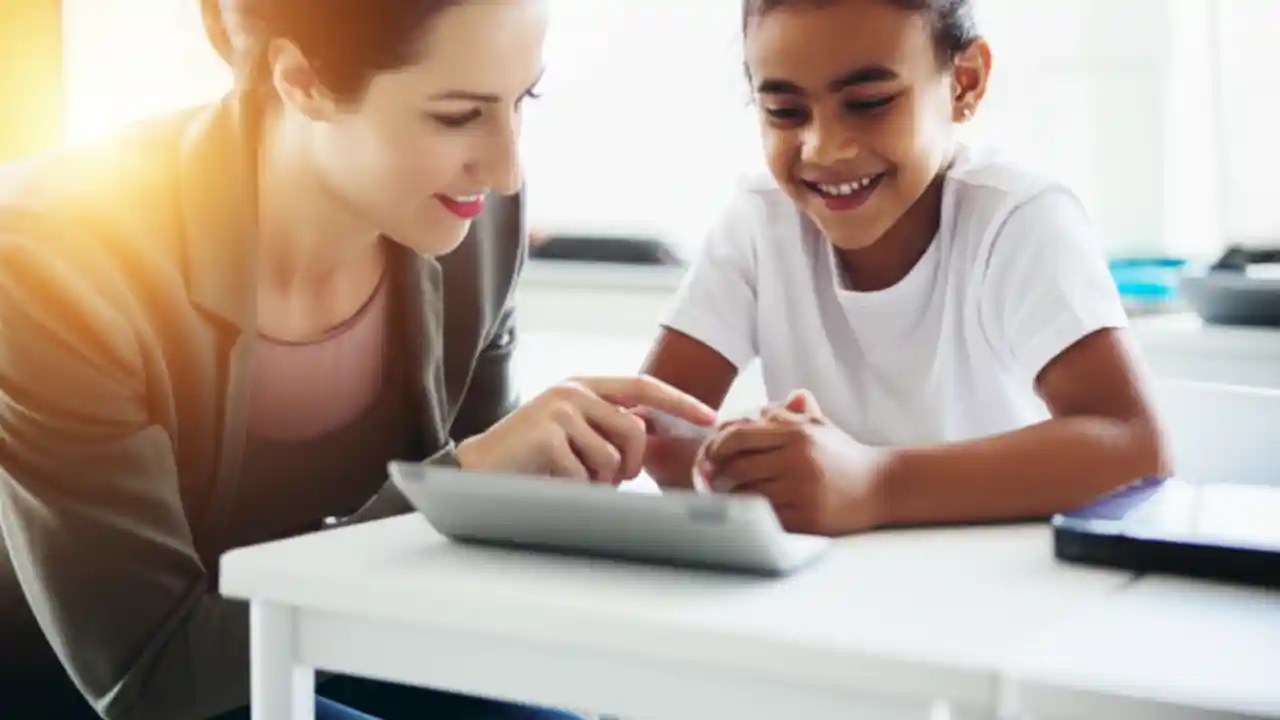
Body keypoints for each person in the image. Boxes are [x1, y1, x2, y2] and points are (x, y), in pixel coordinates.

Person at [0, 1, 714, 718]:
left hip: (337, 646)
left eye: (522, 99)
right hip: (127, 687)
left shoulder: (474, 223)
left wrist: (565, 498)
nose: (505, 169)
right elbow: (151, 678)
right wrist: (461, 483)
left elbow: (463, 574)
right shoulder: (52, 262)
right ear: (301, 79)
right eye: (457, 115)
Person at [642, 0, 1169, 536]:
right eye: (784, 112)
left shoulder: (1015, 218)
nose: (824, 149)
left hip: (997, 584)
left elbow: (1135, 445)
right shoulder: (760, 220)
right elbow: (656, 430)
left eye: (869, 103)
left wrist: (876, 483)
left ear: (964, 83)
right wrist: (755, 467)